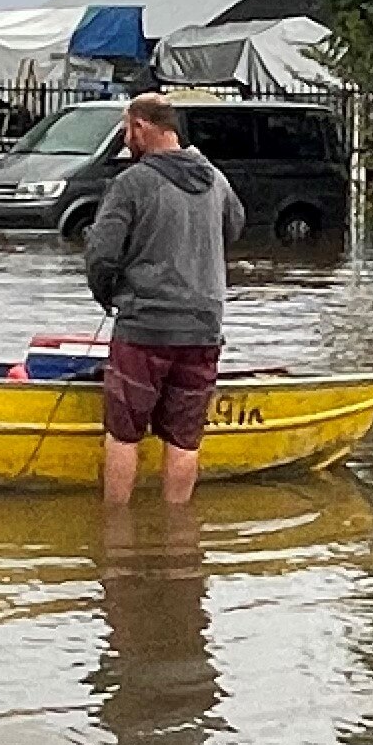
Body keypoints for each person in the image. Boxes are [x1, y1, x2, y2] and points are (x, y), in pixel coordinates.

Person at [83, 91, 244, 506]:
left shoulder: (132, 182)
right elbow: (235, 228)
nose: (124, 140)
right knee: (185, 439)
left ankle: (115, 533)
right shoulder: (216, 179)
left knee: (123, 433)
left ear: (140, 126)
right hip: (204, 327)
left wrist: (108, 296)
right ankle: (177, 536)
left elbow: (101, 252)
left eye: (125, 130)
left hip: (144, 327)